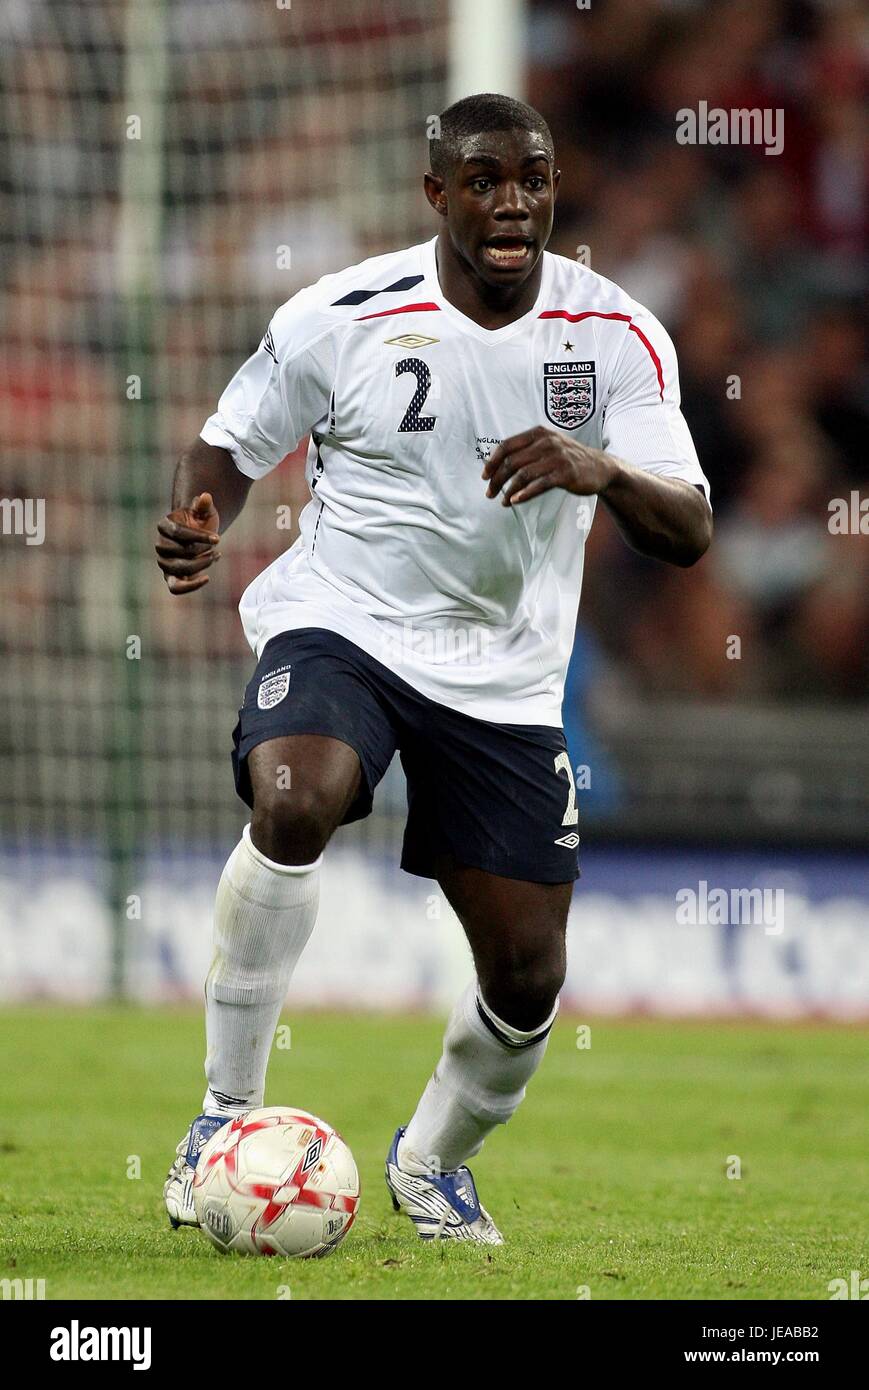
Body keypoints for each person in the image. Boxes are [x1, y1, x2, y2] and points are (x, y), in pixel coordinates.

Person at [155, 94, 711, 1245]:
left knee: (527, 973)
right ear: (436, 194)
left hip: (503, 676)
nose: (511, 202)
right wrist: (202, 515)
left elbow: (689, 527)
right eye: (484, 180)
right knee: (294, 796)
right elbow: (228, 441)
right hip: (344, 622)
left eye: (532, 180)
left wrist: (600, 469)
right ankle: (221, 1116)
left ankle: (429, 1163)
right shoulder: (341, 314)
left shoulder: (614, 335)